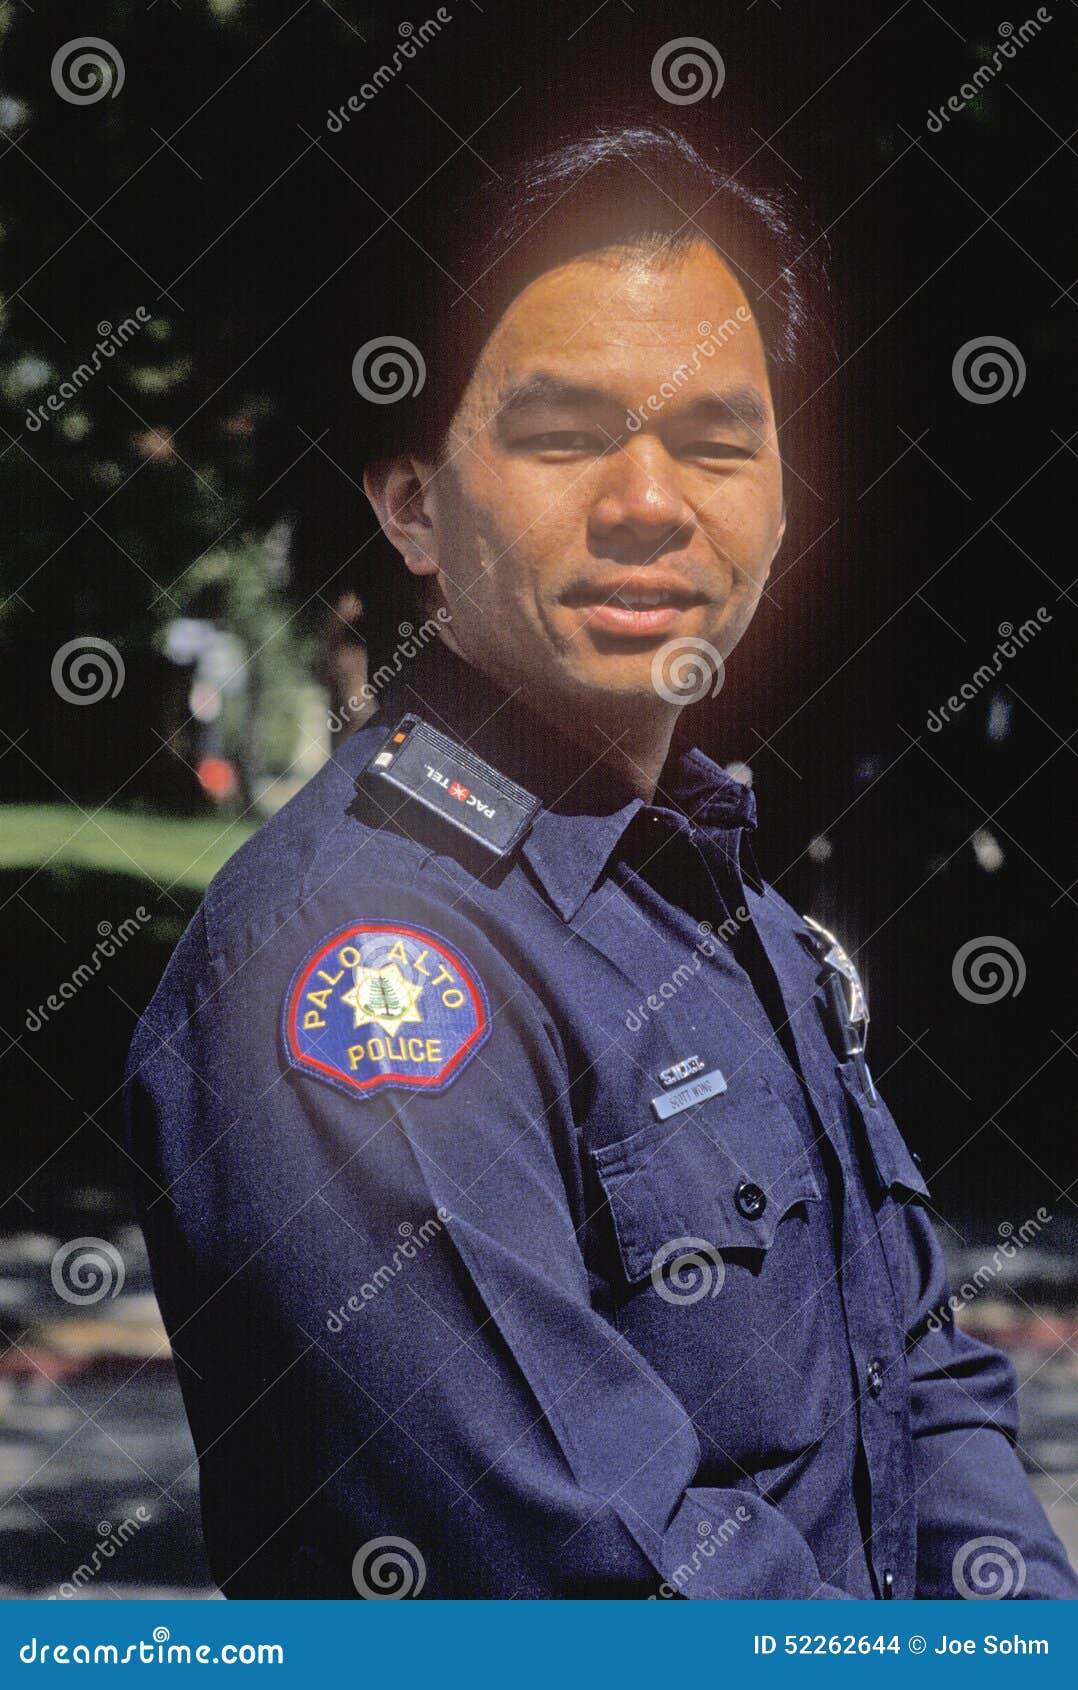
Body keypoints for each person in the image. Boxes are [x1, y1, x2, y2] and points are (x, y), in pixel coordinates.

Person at [125, 125, 1077, 1600]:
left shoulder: (721, 903)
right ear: (411, 504)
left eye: (714, 440)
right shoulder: (359, 960)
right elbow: (590, 1572)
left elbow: (919, 1388)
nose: (650, 501)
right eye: (564, 436)